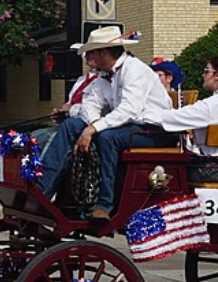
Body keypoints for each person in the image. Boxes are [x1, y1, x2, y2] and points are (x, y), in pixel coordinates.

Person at [36, 25, 174, 222]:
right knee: (71, 125)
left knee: (108, 137)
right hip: (129, 127)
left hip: (153, 131)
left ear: (104, 52)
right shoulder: (104, 75)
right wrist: (91, 126)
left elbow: (130, 110)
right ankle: (44, 190)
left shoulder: (135, 70)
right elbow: (90, 105)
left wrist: (93, 129)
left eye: (92, 52)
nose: (89, 57)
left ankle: (104, 205)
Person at [141, 55, 218, 182]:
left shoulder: (212, 105)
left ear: (217, 75)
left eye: (206, 71)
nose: (203, 75)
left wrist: (143, 115)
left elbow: (174, 118)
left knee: (171, 171)